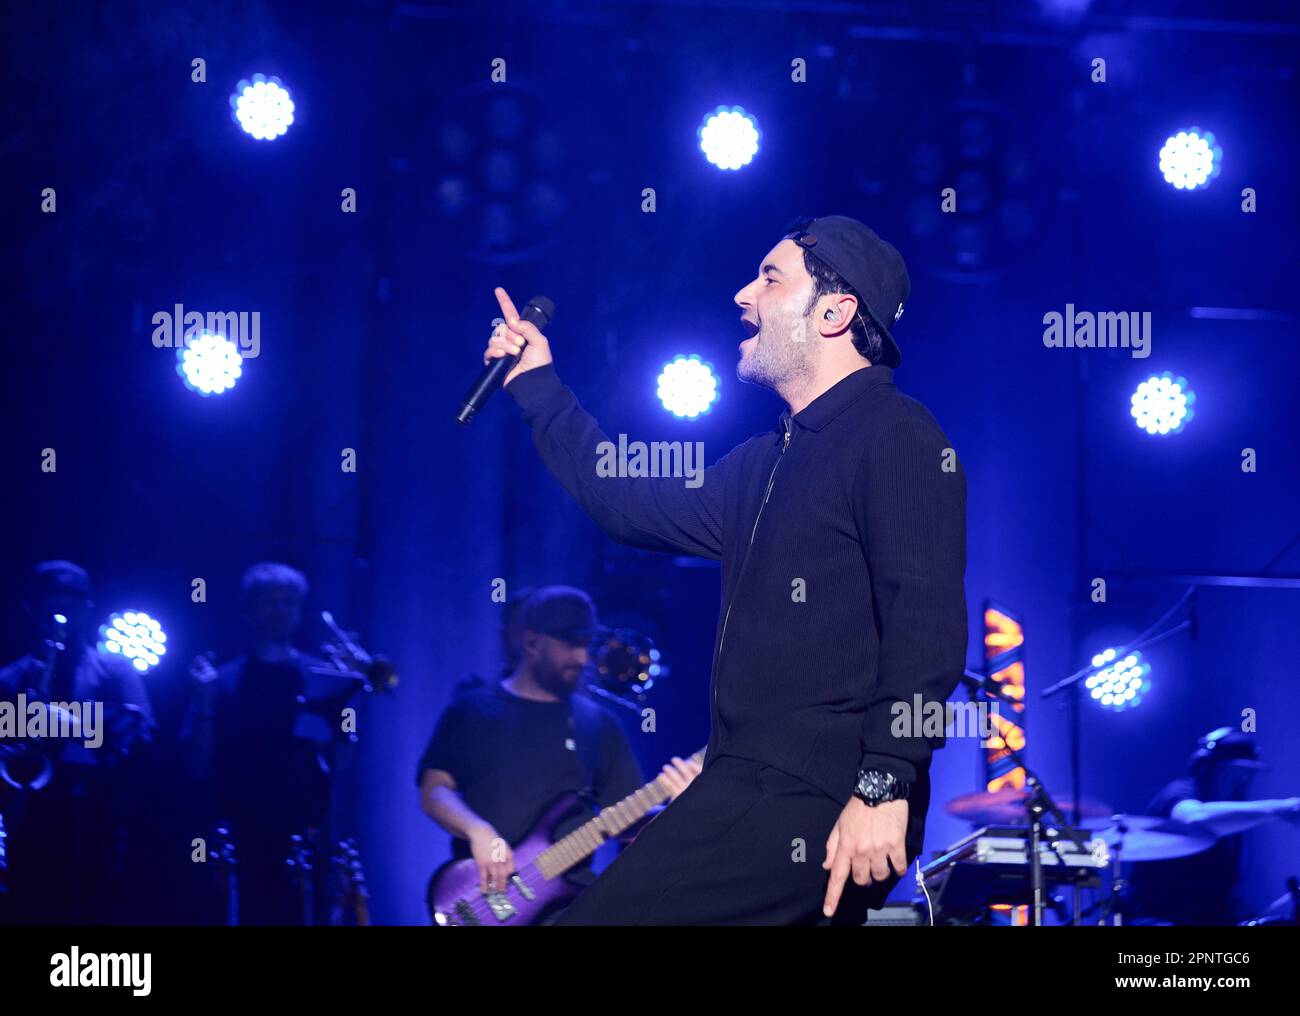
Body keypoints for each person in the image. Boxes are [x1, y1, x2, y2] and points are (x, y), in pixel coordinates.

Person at [484, 215, 967, 924]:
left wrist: (884, 786)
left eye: (771, 278)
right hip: (749, 780)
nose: (744, 294)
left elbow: (925, 625)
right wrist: (540, 389)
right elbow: (626, 502)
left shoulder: (898, 437)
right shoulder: (763, 462)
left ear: (834, 313)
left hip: (814, 792)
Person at [417, 586, 701, 914]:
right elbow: (434, 791)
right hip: (483, 898)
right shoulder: (472, 711)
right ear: (532, 643)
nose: (582, 658)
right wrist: (478, 831)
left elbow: (629, 827)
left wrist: (678, 810)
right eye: (570, 644)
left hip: (570, 907)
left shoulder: (600, 725)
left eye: (585, 645)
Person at [180, 561, 356, 924]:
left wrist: (350, 695)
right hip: (238, 832)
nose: (280, 609)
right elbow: (197, 767)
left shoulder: (320, 678)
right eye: (269, 601)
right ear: (249, 611)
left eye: (289, 602)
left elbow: (341, 762)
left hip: (304, 833)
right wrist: (203, 703)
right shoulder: (223, 681)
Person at [0, 560, 155, 924]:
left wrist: (66, 722)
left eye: (71, 602)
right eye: (51, 602)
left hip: (95, 814)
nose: (61, 611)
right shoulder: (9, 678)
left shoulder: (115, 670)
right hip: (29, 820)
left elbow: (141, 738)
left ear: (88, 609)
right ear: (31, 609)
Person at [1128, 726, 1300, 925]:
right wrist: (1284, 808)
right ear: (1207, 768)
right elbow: (1195, 817)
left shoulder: (1229, 823)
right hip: (1158, 920)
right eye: (1239, 771)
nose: (1245, 780)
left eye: (1250, 773)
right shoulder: (1179, 792)